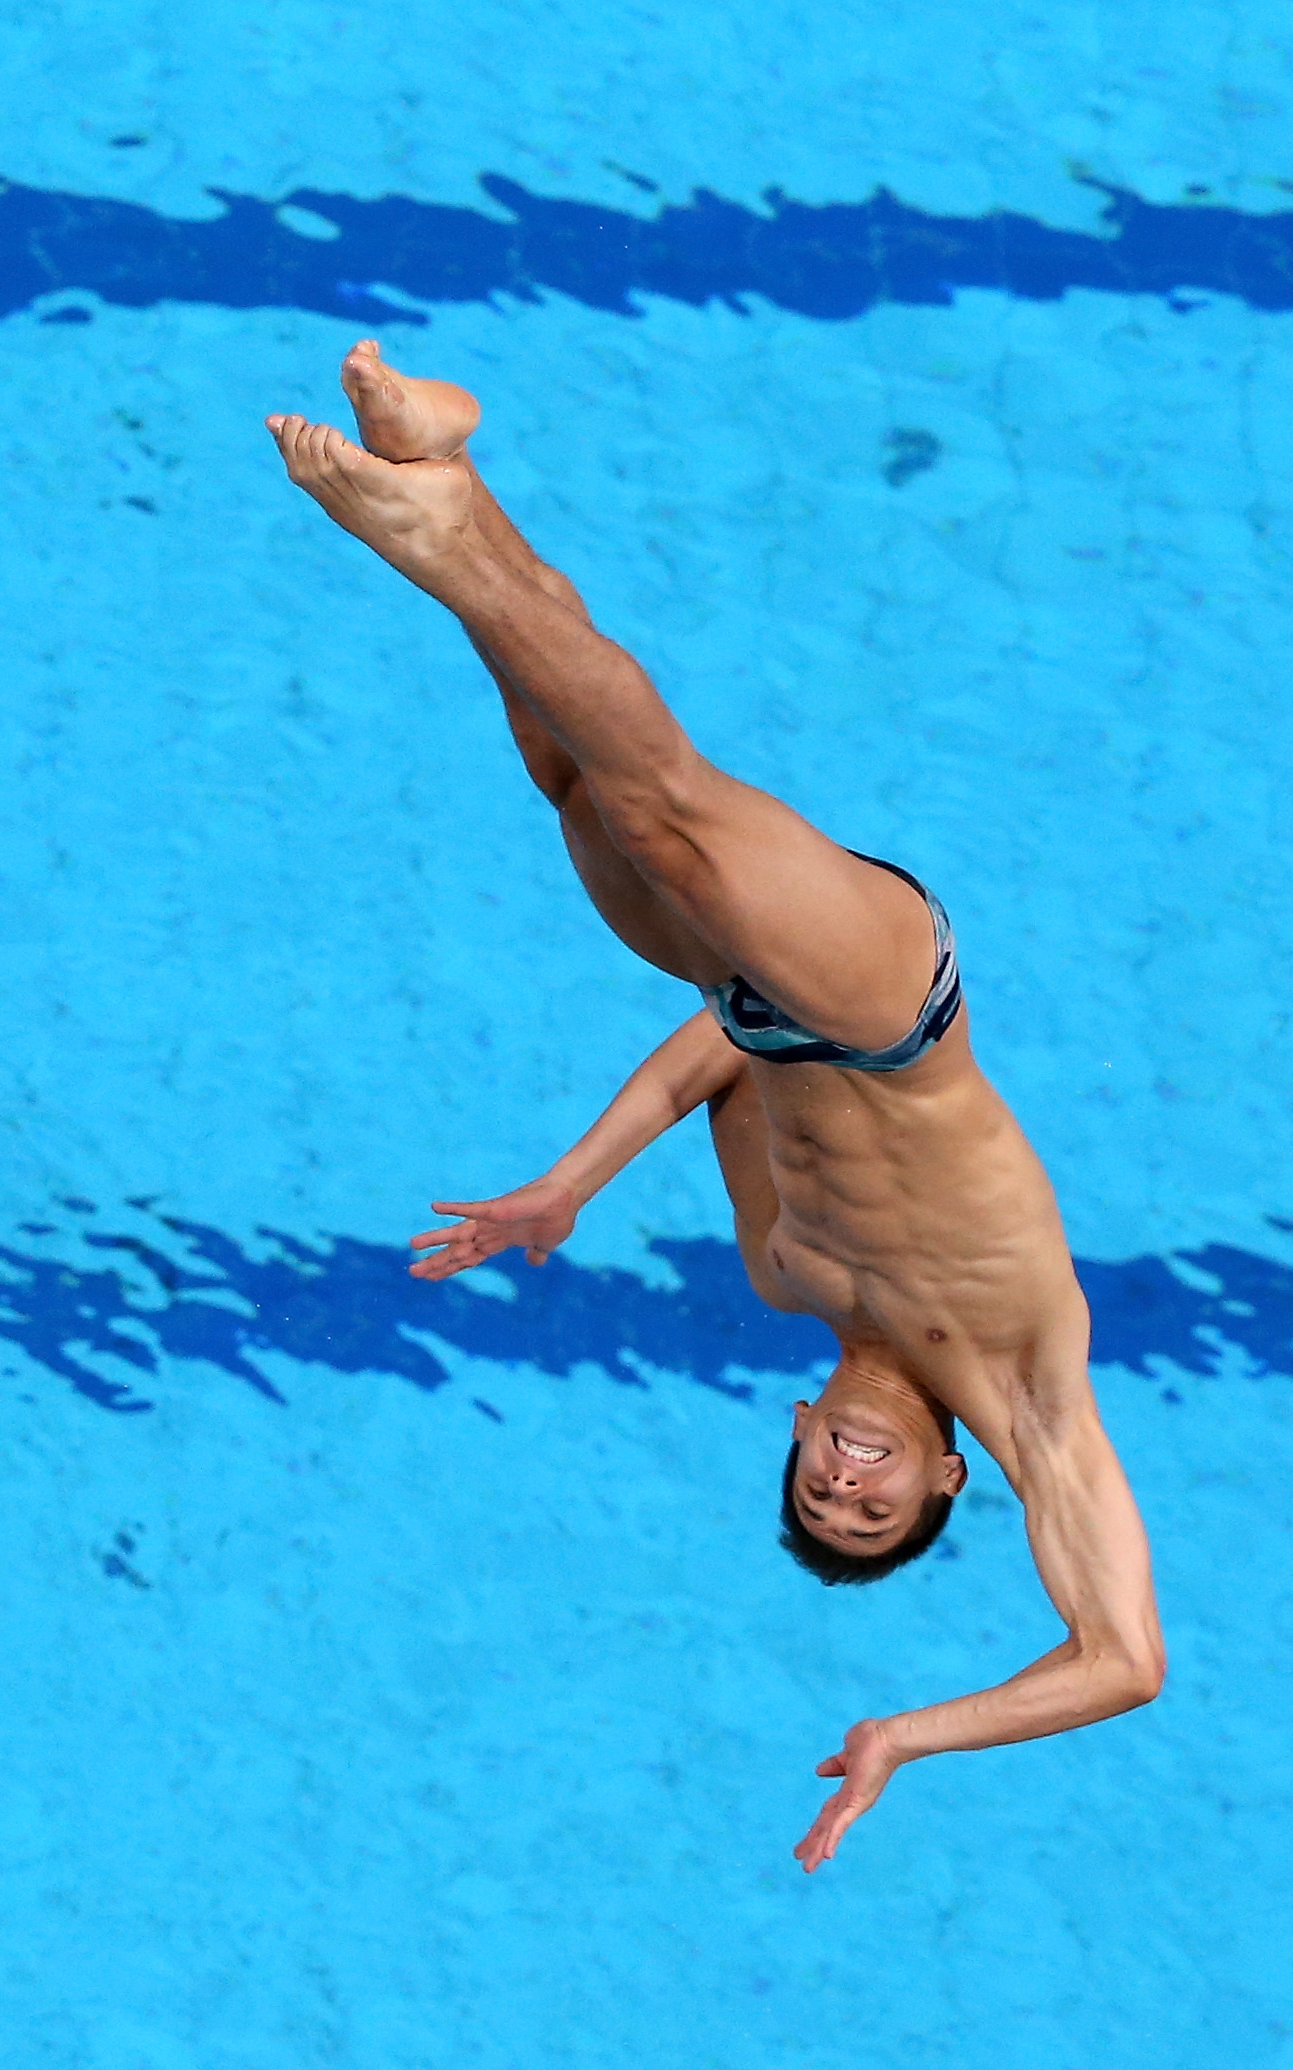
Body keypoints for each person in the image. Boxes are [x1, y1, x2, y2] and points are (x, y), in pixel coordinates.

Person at [267, 346, 1163, 1870]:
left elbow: (717, 1059)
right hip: (891, 1006)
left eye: (819, 1487)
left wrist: (570, 1186)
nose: (845, 1481)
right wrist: (905, 1729)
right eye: (876, 1508)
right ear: (951, 1476)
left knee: (572, 778)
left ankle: (450, 467)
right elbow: (1123, 1661)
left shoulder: (782, 1267)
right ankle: (433, 538)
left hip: (762, 1002)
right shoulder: (1022, 1386)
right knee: (664, 798)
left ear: (801, 1425)